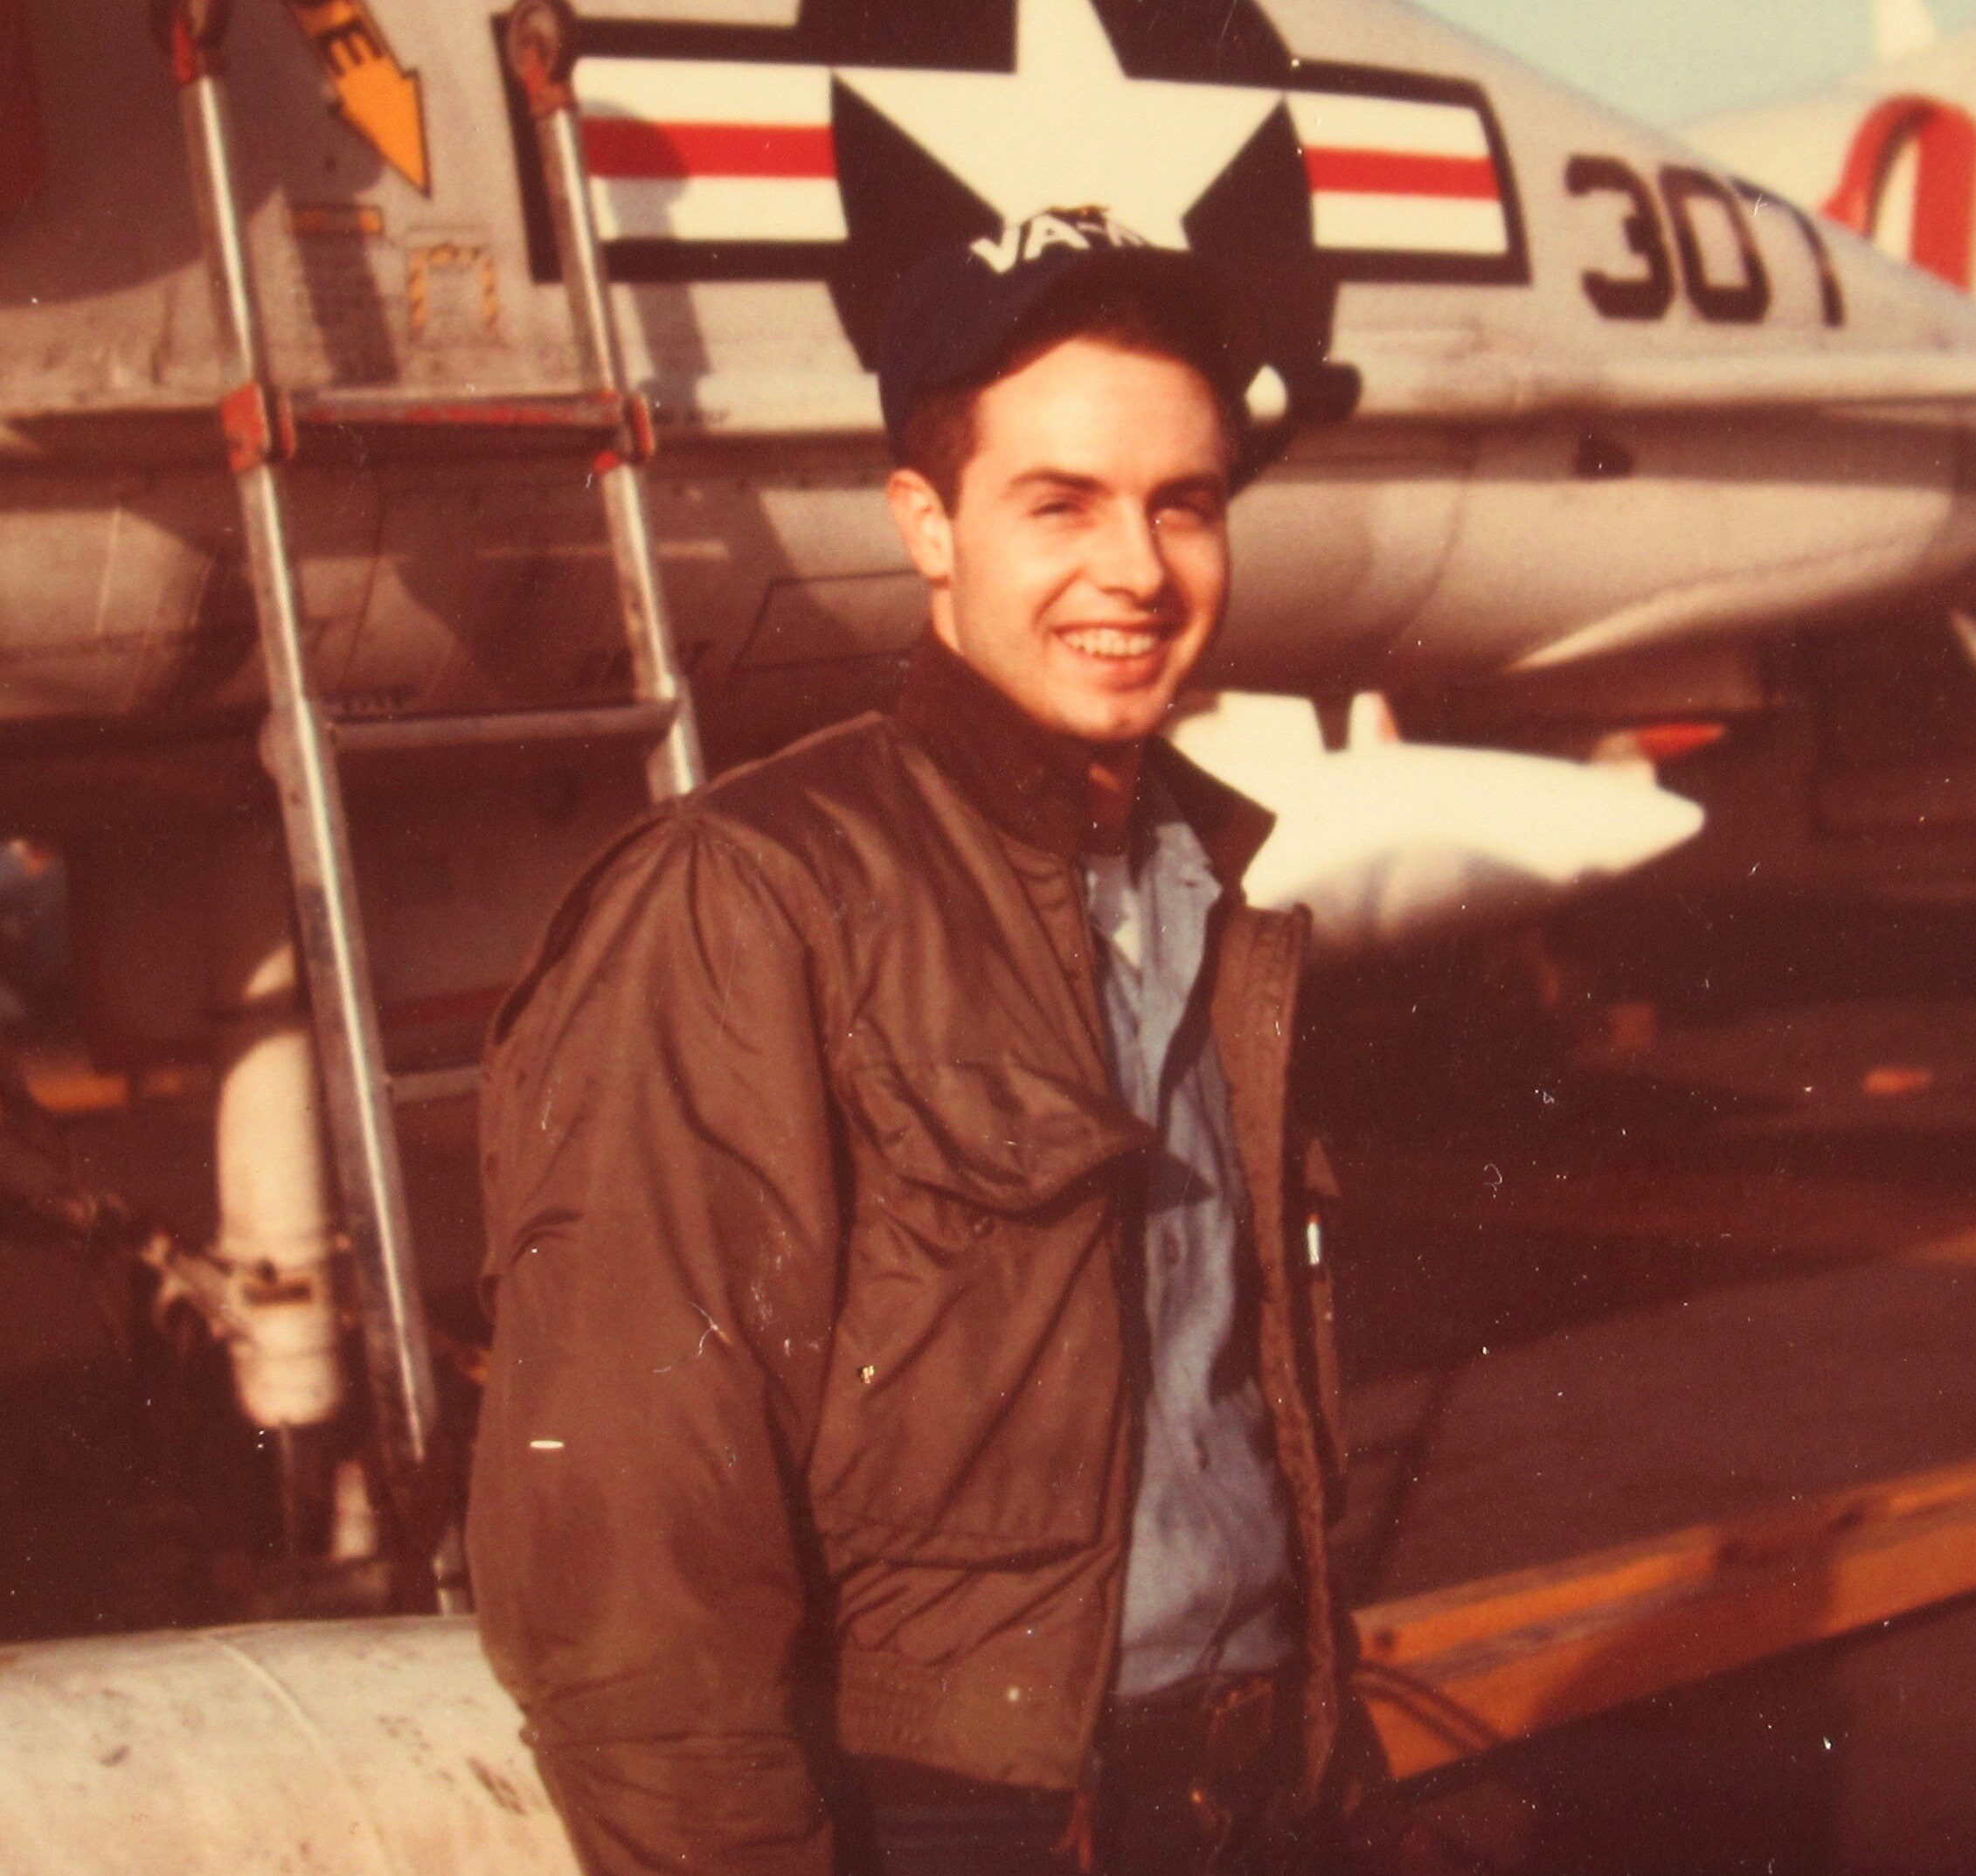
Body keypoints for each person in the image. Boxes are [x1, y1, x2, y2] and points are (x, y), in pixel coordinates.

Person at [468, 206, 1355, 1876]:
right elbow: (631, 1556)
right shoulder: (752, 896)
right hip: (969, 1814)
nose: (1137, 570)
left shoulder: (1200, 883)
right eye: (1060, 504)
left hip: (1244, 1788)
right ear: (927, 526)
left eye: (1182, 503)